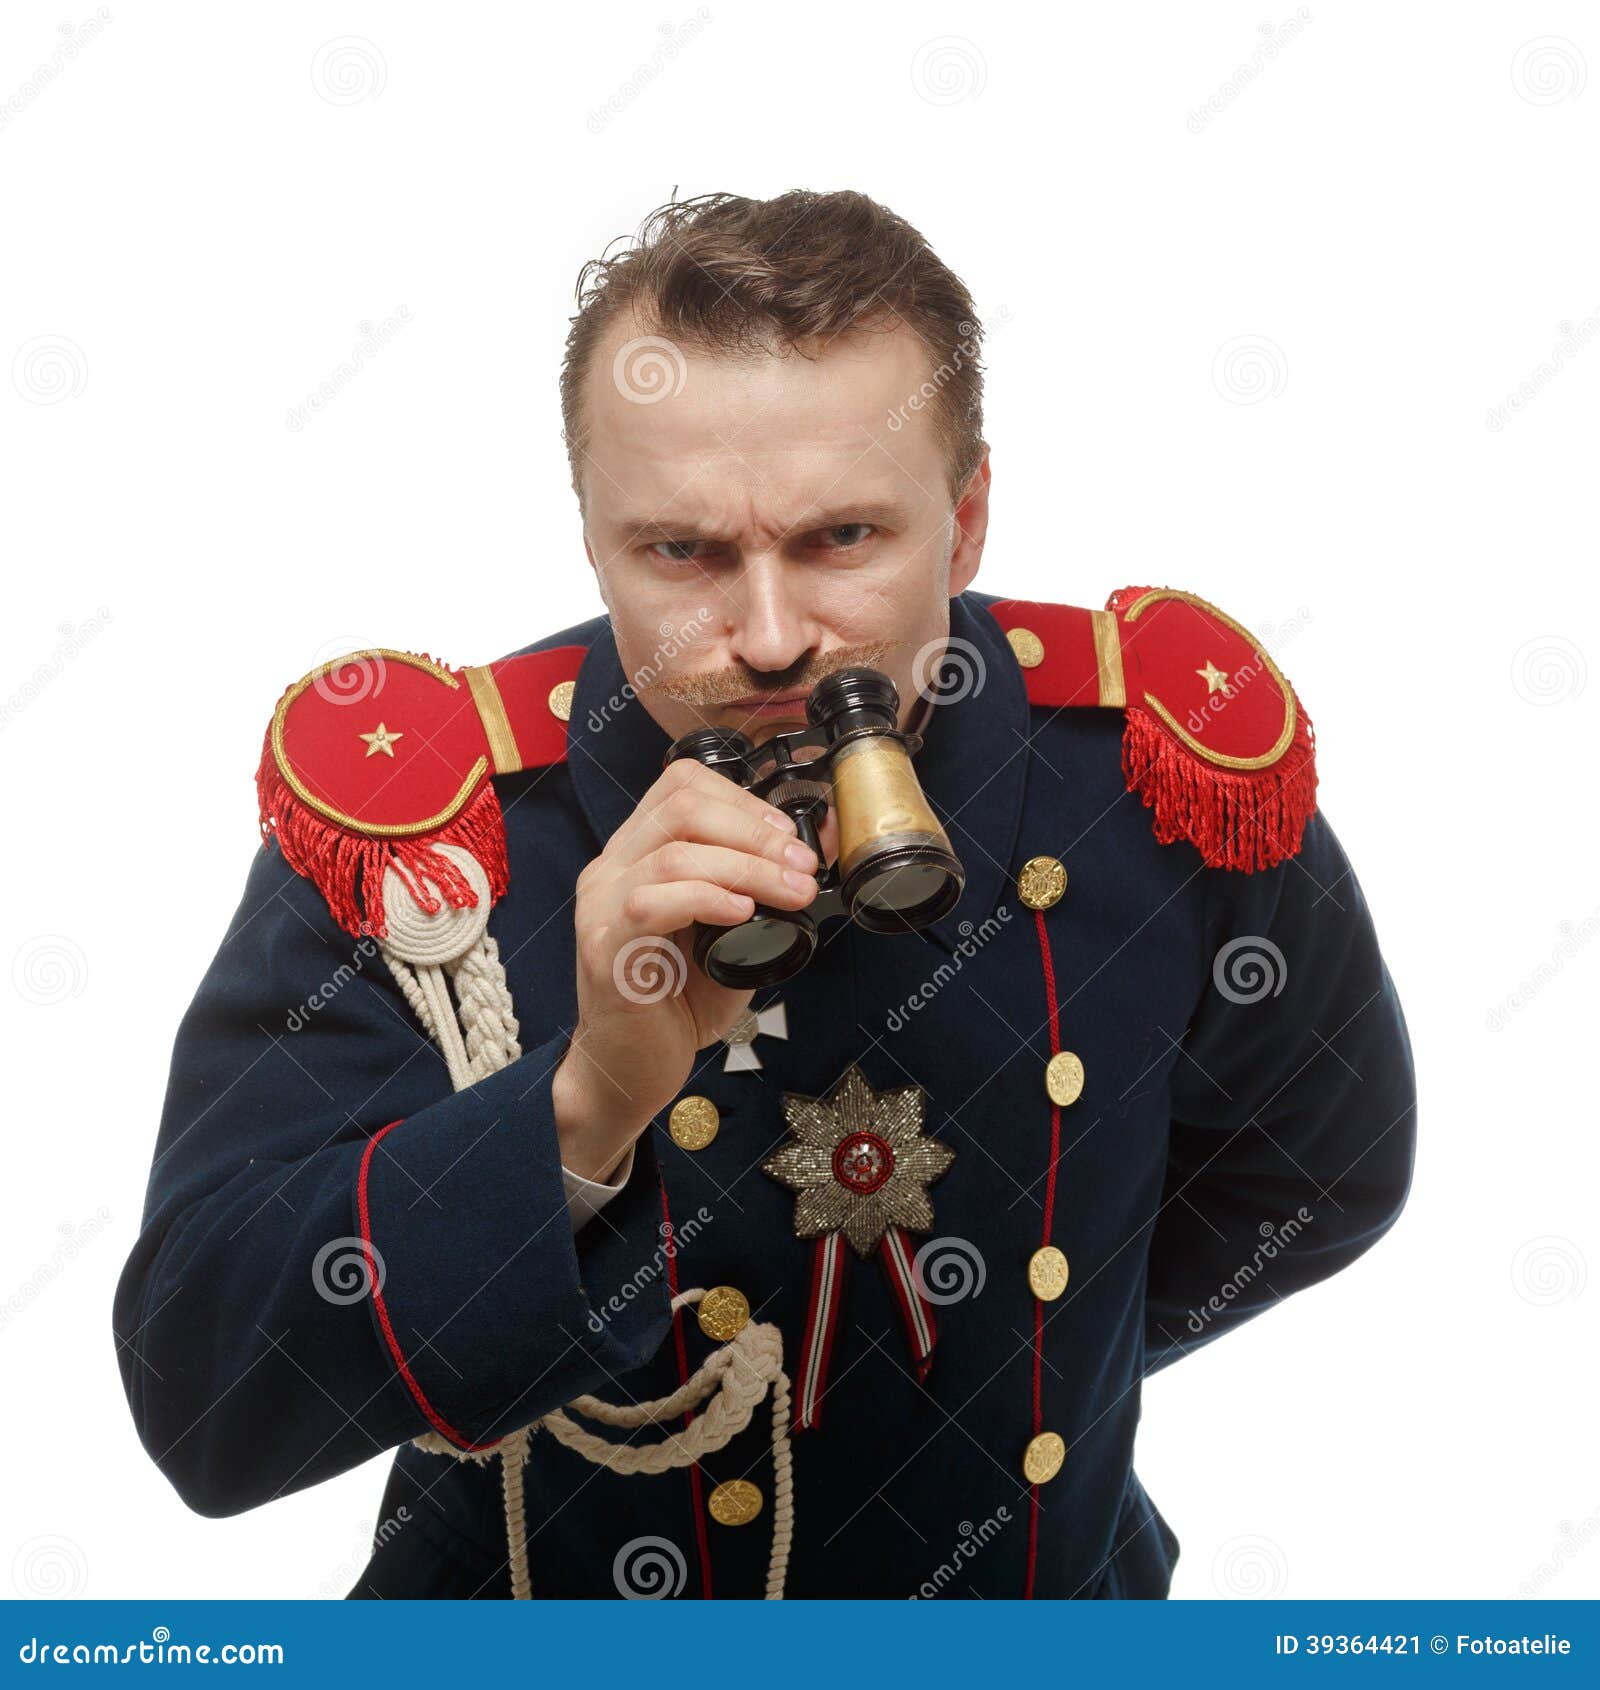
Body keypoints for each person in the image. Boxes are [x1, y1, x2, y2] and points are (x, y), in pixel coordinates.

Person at [113, 189, 1416, 1600]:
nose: (773, 635)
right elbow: (207, 1395)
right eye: (683, 554)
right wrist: (586, 1102)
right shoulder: (434, 833)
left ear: (968, 520)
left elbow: (1323, 1166)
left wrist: (1035, 1356)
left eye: (843, 538)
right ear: (592, 532)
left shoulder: (1151, 765)